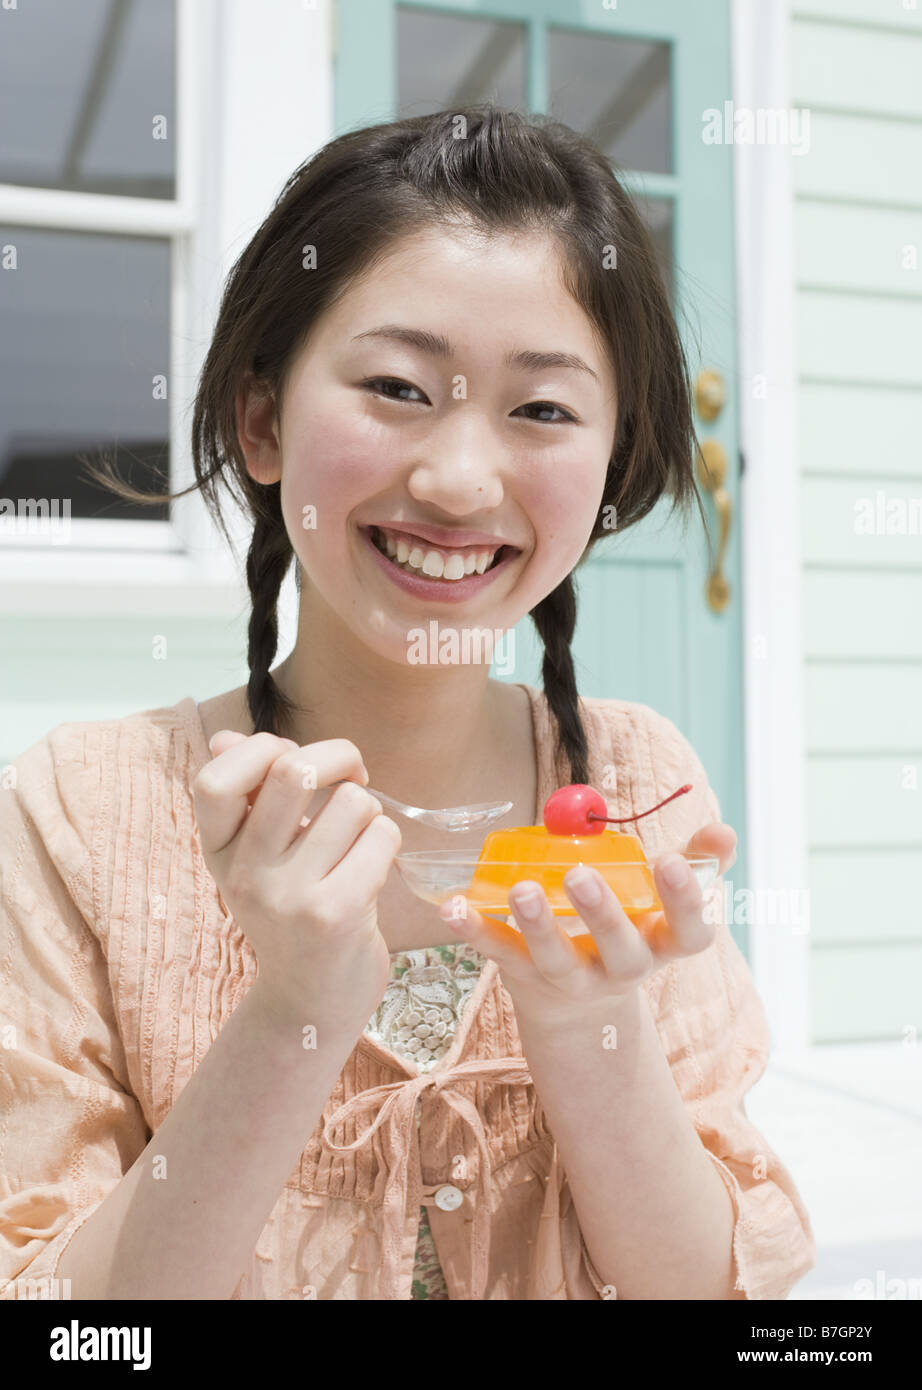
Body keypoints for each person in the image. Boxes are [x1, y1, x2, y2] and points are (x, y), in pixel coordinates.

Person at [0, 106, 815, 1301]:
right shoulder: (81, 812)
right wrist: (290, 1013)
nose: (456, 479)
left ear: (607, 464)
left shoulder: (638, 786)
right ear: (262, 418)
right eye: (396, 385)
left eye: (541, 409)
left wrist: (590, 1029)